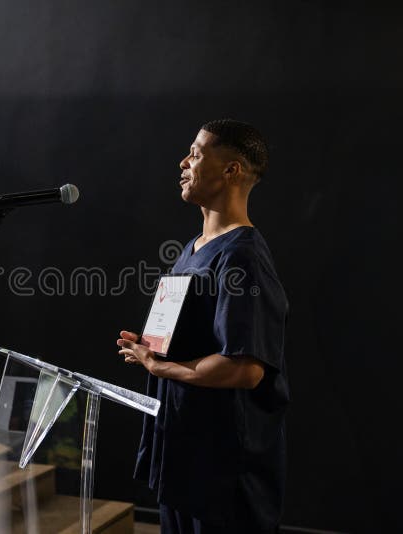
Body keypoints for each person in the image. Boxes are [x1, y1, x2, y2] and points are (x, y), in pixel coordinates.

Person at [116, 119, 289, 533]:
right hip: (182, 459)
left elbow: (245, 369)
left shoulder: (242, 257)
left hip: (222, 476)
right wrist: (154, 348)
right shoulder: (193, 251)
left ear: (232, 171)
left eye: (195, 154)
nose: (183, 162)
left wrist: (159, 367)